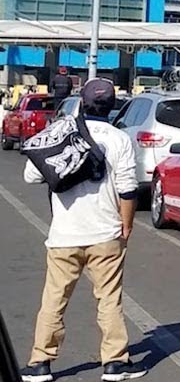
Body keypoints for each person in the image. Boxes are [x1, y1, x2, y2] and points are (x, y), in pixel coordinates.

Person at [20, 80, 146, 382]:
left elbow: (30, 176)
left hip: (64, 233)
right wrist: (126, 226)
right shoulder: (119, 139)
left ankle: (40, 362)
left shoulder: (60, 133)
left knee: (54, 298)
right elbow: (128, 190)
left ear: (80, 102)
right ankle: (115, 362)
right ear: (113, 106)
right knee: (109, 299)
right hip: (105, 232)